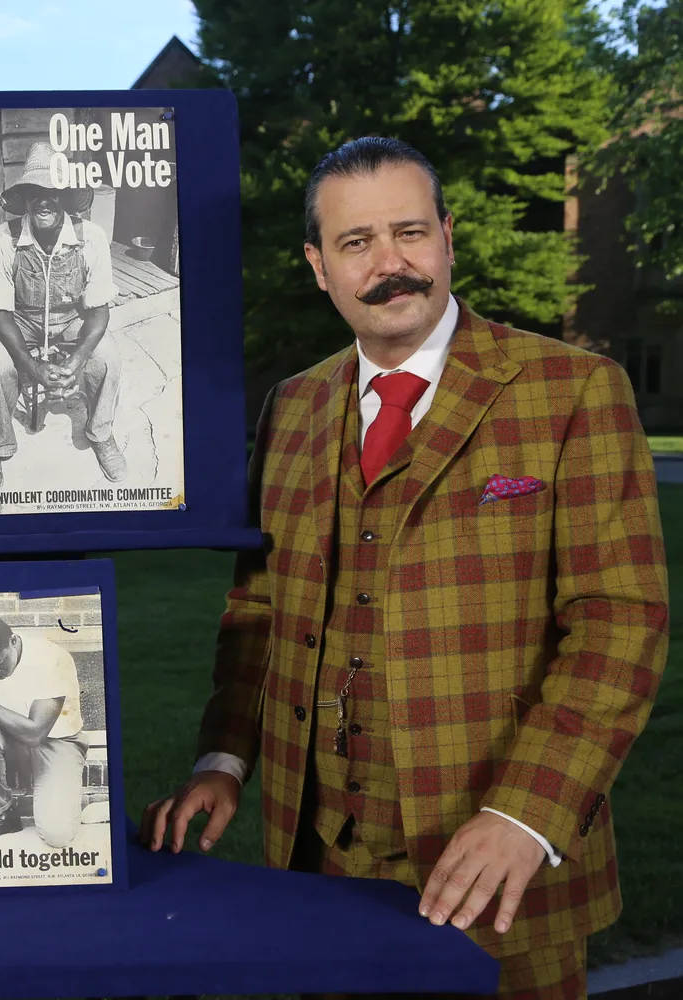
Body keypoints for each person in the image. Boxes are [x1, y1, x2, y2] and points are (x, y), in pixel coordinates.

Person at [143, 137, 668, 998]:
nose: (391, 265)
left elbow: (620, 627)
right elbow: (259, 606)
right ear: (319, 265)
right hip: (317, 863)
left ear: (449, 239)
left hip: (500, 871)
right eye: (356, 243)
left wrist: (524, 817)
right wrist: (223, 759)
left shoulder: (574, 389)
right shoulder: (295, 405)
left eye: (410, 233)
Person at [0, 140, 124, 492]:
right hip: (20, 322)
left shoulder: (92, 237)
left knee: (109, 357)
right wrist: (32, 367)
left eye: (53, 191)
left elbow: (99, 309)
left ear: (66, 197)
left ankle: (100, 432)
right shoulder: (3, 239)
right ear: (25, 198)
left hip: (71, 319)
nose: (43, 200)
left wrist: (78, 358)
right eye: (34, 192)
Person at [0, 615, 88, 848]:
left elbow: (35, 734)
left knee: (57, 836)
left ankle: (73, 802)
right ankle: (3, 813)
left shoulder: (52, 658)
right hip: (12, 740)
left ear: (13, 641)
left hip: (57, 741)